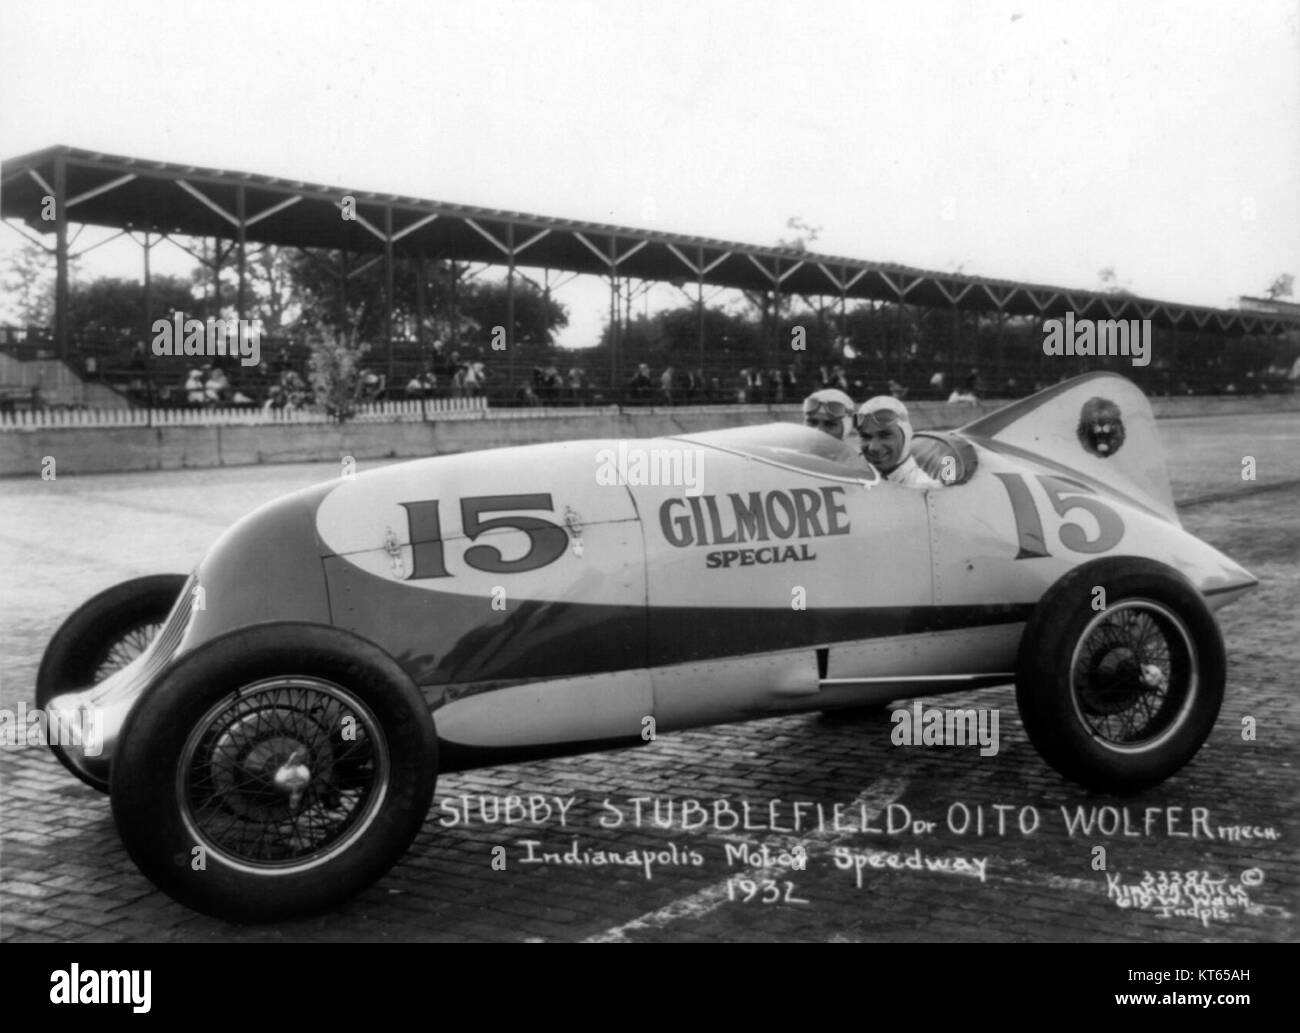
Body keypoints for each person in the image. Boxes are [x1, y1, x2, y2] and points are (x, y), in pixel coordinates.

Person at [855, 396, 941, 488]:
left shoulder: (925, 489)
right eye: (866, 437)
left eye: (885, 435)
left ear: (906, 437)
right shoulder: (852, 480)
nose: (874, 447)